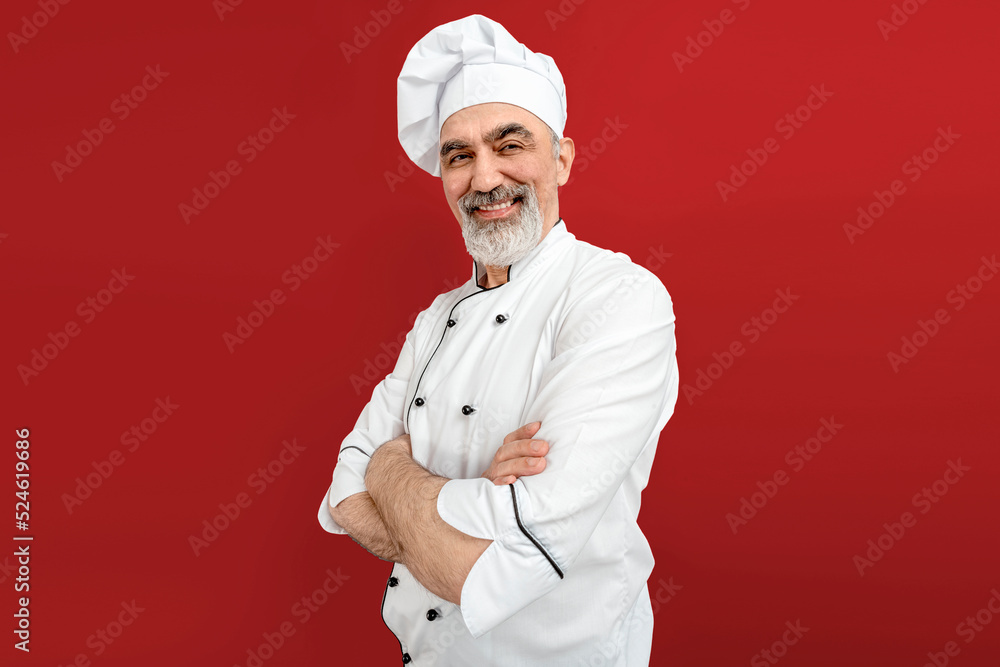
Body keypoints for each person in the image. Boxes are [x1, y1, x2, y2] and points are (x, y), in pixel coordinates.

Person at [317, 14, 679, 666]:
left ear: (561, 160)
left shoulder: (619, 299)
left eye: (509, 145)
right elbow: (344, 493)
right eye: (460, 155)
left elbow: (487, 566)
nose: (484, 180)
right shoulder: (436, 317)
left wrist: (391, 472)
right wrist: (469, 505)